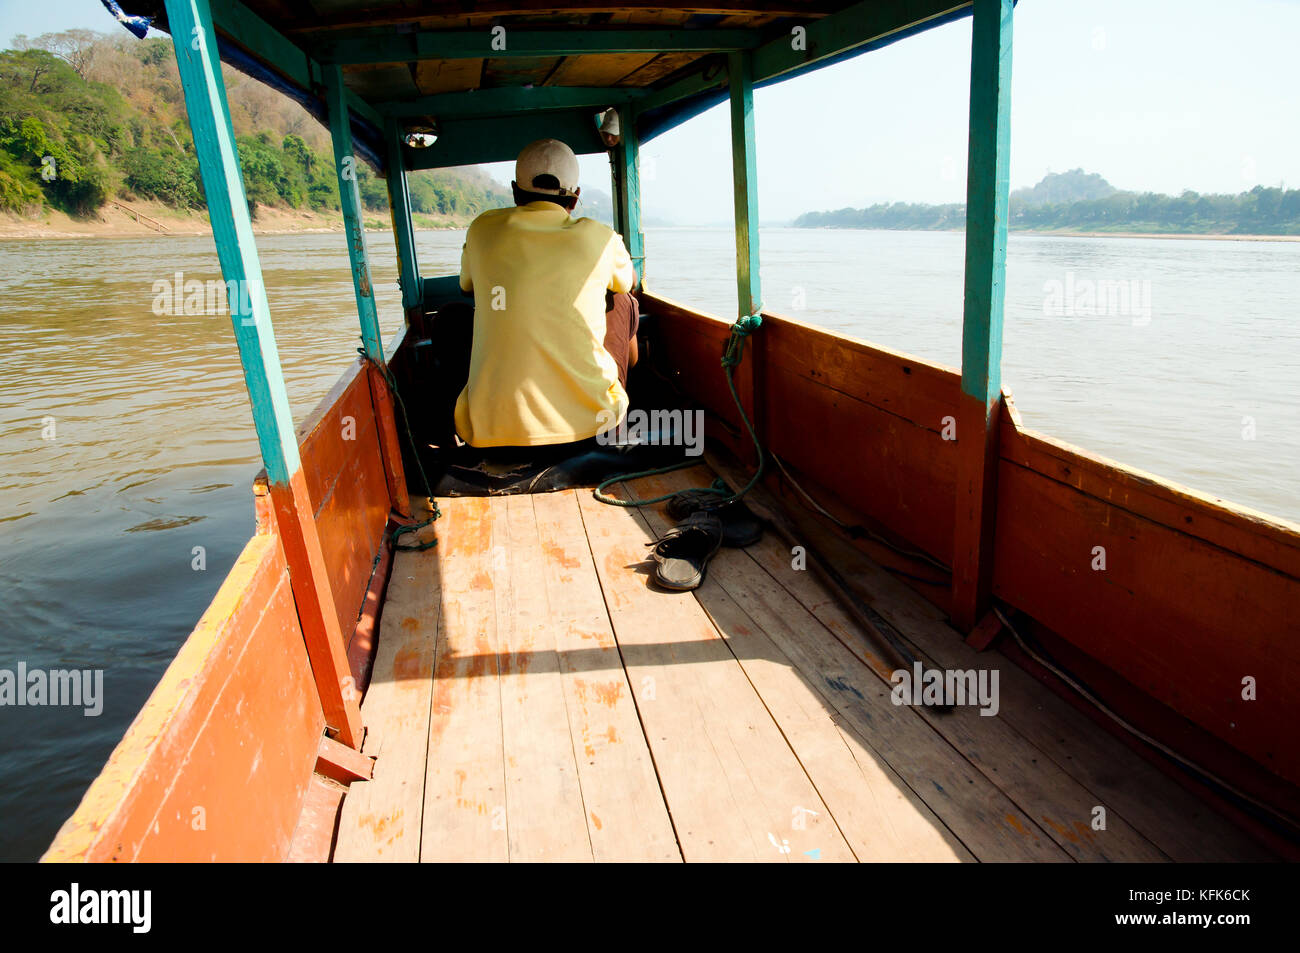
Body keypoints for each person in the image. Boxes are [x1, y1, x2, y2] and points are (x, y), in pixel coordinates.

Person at [452, 137, 640, 452]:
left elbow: (466, 285)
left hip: (490, 433)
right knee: (623, 301)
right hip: (591, 428)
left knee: (453, 315)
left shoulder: (482, 228)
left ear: (515, 190)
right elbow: (629, 281)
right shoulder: (601, 237)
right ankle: (627, 401)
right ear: (576, 197)